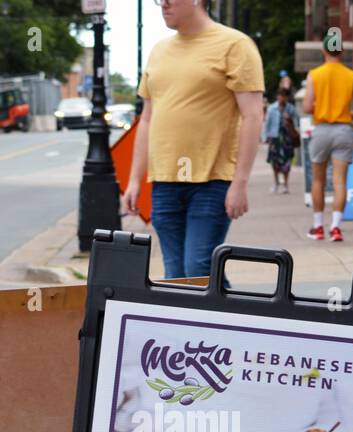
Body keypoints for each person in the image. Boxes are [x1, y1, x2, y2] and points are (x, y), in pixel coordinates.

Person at [120, 0, 264, 280]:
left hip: (212, 181)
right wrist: (135, 180)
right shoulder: (159, 51)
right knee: (176, 275)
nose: (163, 4)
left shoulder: (235, 45)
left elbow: (253, 116)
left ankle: (234, 322)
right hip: (164, 182)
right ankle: (226, 321)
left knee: (199, 267)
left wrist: (240, 182)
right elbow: (147, 119)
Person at [302, 33, 353, 242]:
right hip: (343, 130)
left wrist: (323, 109)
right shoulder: (352, 76)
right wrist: (345, 113)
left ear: (323, 50)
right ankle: (336, 228)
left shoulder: (315, 74)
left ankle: (318, 227)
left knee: (318, 179)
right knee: (340, 181)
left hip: (321, 130)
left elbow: (307, 106)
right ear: (342, 51)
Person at [262, 86, 299, 194]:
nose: (281, 98)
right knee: (275, 163)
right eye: (279, 95)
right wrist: (265, 137)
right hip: (275, 138)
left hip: (287, 138)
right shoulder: (272, 108)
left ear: (287, 97)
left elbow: (297, 122)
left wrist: (291, 121)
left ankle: (286, 184)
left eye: (283, 96)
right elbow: (267, 124)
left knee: (287, 162)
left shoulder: (291, 109)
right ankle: (276, 182)